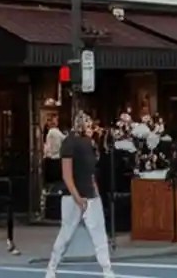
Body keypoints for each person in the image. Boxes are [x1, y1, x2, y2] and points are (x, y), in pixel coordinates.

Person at [45, 112, 115, 278]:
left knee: (99, 233)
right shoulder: (69, 143)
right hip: (72, 196)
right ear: (81, 125)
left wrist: (95, 191)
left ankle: (107, 269)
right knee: (66, 233)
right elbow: (67, 174)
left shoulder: (89, 143)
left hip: (90, 194)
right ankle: (51, 267)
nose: (91, 128)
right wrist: (77, 196)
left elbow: (91, 172)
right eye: (88, 125)